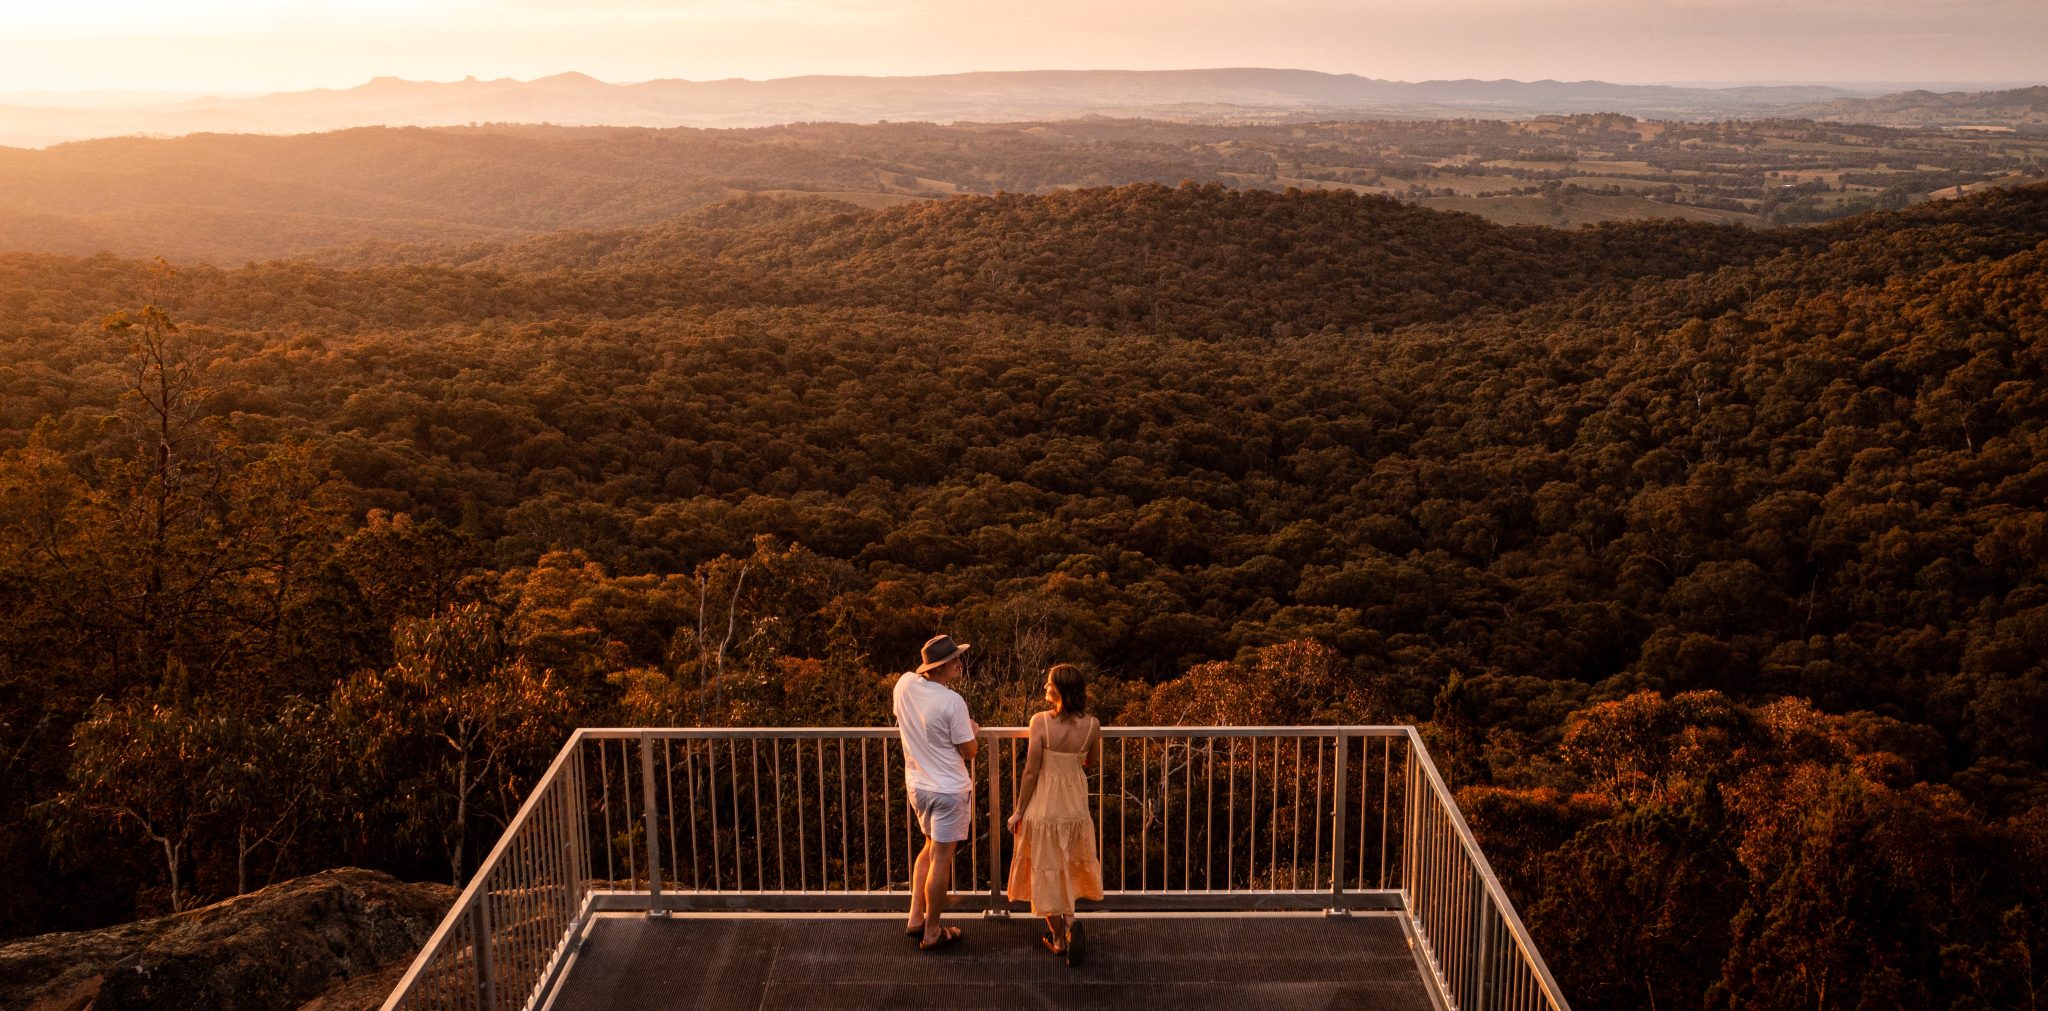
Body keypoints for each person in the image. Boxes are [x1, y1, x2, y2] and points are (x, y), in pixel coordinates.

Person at [1005, 663, 1104, 967]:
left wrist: (1018, 810)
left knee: (1045, 870)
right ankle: (1072, 920)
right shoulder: (1092, 725)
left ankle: (1059, 938)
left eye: (1049, 684)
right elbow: (1091, 762)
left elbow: (1031, 770)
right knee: (1068, 865)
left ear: (1059, 690)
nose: (1045, 688)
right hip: (1074, 807)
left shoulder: (1040, 723)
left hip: (1044, 807)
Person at [894, 633, 978, 951]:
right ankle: (932, 931)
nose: (959, 663)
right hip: (948, 790)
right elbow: (969, 751)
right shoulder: (951, 702)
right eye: (954, 659)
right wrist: (971, 730)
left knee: (929, 847)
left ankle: (916, 918)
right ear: (941, 666)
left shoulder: (904, 684)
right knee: (942, 857)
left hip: (918, 785)